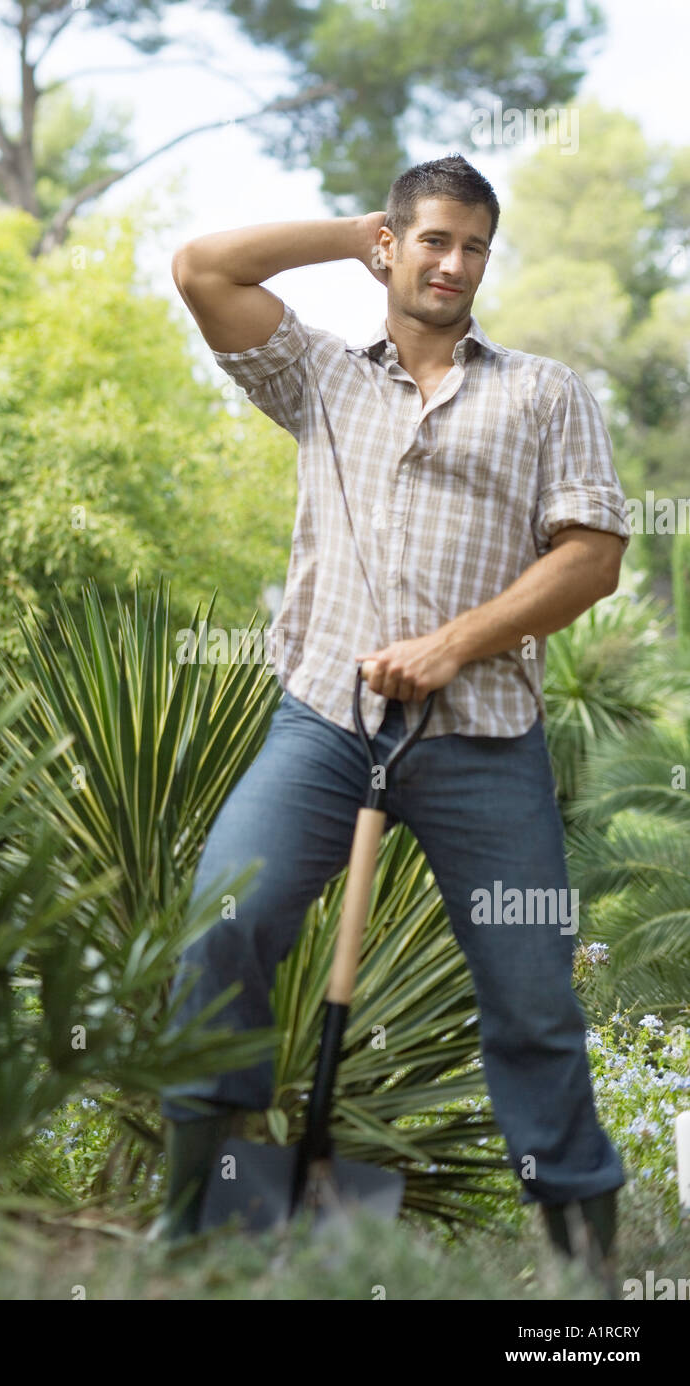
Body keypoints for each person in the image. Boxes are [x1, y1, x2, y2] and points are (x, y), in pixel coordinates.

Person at [153, 154, 630, 1288]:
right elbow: (200, 267)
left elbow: (593, 559)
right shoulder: (319, 375)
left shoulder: (542, 393)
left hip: (483, 742)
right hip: (324, 726)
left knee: (530, 995)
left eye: (472, 246)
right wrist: (351, 231)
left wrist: (450, 644)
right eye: (431, 241)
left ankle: (585, 1271)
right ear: (394, 247)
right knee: (225, 918)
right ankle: (195, 1229)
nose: (453, 264)